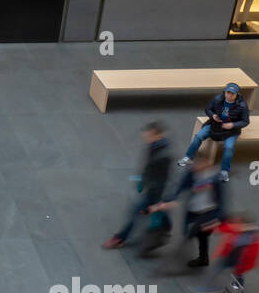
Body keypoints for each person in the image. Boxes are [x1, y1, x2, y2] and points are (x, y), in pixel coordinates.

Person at [102, 121, 172, 251]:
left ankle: (120, 238)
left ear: (156, 135)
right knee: (153, 211)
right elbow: (148, 167)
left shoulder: (163, 155)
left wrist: (148, 185)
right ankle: (166, 226)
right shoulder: (154, 146)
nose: (146, 139)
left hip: (155, 191)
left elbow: (164, 177)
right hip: (152, 187)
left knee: (136, 212)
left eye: (148, 136)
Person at [152, 153, 227, 268]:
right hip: (192, 209)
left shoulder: (215, 178)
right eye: (196, 163)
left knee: (193, 233)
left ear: (207, 163)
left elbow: (222, 200)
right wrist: (169, 200)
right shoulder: (191, 174)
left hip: (208, 210)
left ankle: (179, 260)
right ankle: (203, 258)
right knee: (195, 233)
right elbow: (180, 188)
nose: (196, 166)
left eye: (200, 163)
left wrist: (219, 218)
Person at [177, 81, 250, 181]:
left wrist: (232, 125)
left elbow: (245, 121)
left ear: (237, 94)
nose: (229, 95)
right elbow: (208, 109)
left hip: (231, 131)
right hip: (214, 125)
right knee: (198, 136)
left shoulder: (242, 106)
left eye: (232, 93)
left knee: (229, 148)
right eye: (228, 92)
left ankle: (224, 171)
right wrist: (213, 116)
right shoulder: (217, 99)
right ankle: (189, 157)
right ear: (224, 92)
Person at [190, 211, 259, 293]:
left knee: (220, 270)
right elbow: (226, 228)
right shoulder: (242, 229)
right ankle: (237, 286)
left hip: (238, 260)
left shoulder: (254, 237)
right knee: (235, 273)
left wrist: (242, 265)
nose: (239, 224)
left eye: (241, 223)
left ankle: (208, 287)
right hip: (233, 257)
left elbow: (251, 254)